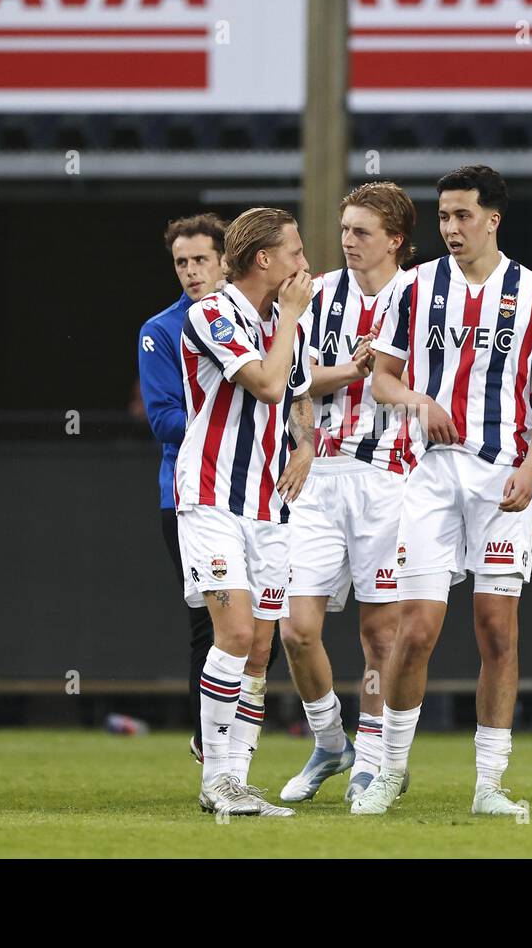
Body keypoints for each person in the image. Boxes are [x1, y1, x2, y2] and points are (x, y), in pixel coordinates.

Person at [353, 165, 532, 816]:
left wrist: (530, 472)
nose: (450, 227)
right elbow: (381, 381)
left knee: (497, 631)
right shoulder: (415, 288)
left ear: (493, 219)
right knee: (415, 631)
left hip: (504, 472)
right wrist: (418, 400)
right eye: (444, 216)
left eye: (462, 216)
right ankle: (389, 771)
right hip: (428, 474)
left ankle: (490, 784)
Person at [278, 182, 421, 803]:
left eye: (362, 232)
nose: (347, 241)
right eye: (344, 230)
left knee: (381, 634)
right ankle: (331, 742)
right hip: (320, 476)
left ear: (394, 240)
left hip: (391, 478)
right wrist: (306, 439)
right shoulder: (319, 295)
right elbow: (290, 379)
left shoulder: (422, 297)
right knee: (295, 628)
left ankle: (372, 754)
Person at [176, 207, 315, 817]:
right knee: (232, 634)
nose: (304, 264)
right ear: (264, 260)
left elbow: (299, 395)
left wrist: (306, 444)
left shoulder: (289, 325)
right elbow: (264, 382)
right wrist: (288, 319)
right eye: (295, 252)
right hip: (210, 496)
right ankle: (213, 781)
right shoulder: (212, 313)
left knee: (259, 649)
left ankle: (236, 781)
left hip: (268, 504)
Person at [138, 213, 225, 763]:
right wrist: (235, 417)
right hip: (189, 495)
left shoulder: (257, 318)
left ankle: (232, 735)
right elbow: (164, 419)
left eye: (201, 260)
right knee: (209, 620)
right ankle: (208, 741)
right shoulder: (160, 331)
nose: (191, 272)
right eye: (181, 262)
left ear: (225, 261)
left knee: (268, 617)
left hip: (257, 492)